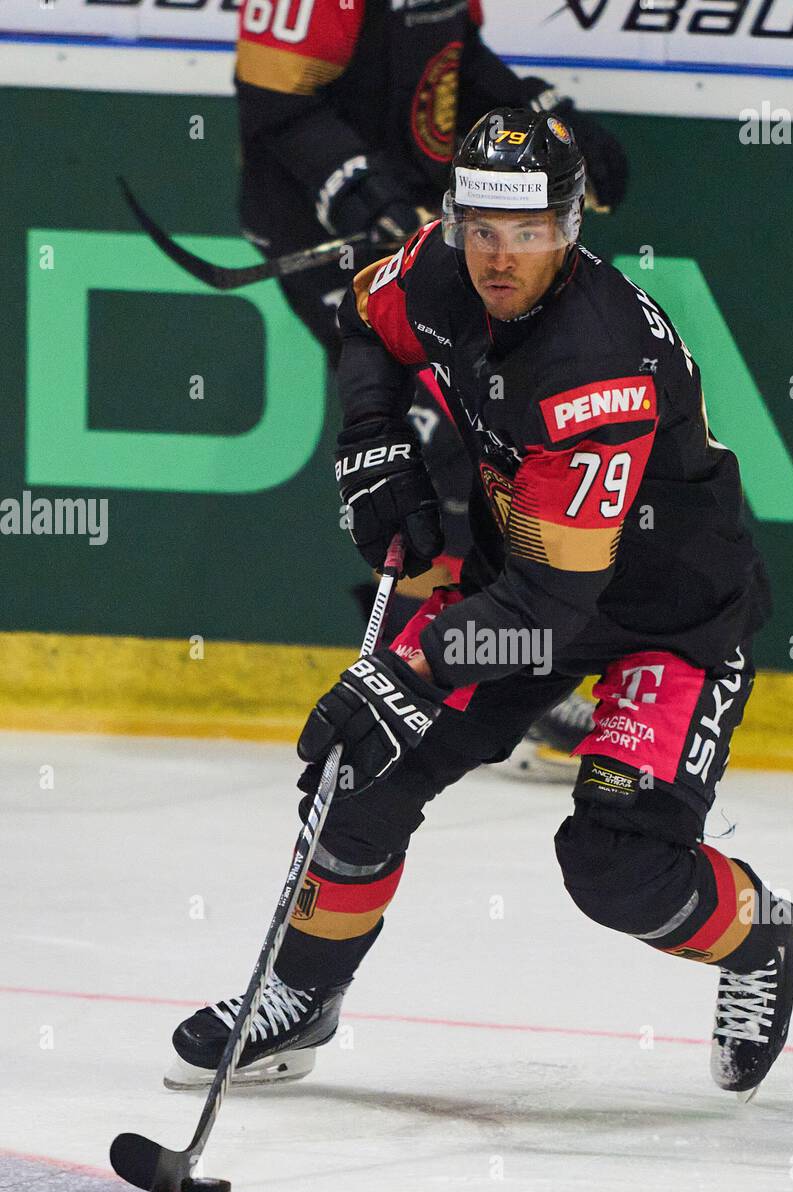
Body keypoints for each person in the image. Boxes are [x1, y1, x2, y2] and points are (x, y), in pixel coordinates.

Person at [168, 109, 793, 1100]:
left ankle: (758, 935)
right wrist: (375, 438)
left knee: (616, 864)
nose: (500, 257)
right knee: (360, 775)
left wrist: (409, 668)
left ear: (570, 226)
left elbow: (549, 610)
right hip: (523, 583)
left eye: (529, 232)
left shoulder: (596, 369)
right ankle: (300, 1001)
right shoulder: (441, 265)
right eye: (482, 227)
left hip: (665, 620)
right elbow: (360, 318)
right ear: (459, 217)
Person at [235, 0, 627, 688]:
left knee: (480, 447)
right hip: (323, 240)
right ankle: (408, 681)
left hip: (414, 221)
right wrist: (364, 193)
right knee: (448, 445)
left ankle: (438, 674)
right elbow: (274, 103)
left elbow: (456, 63)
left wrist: (546, 119)